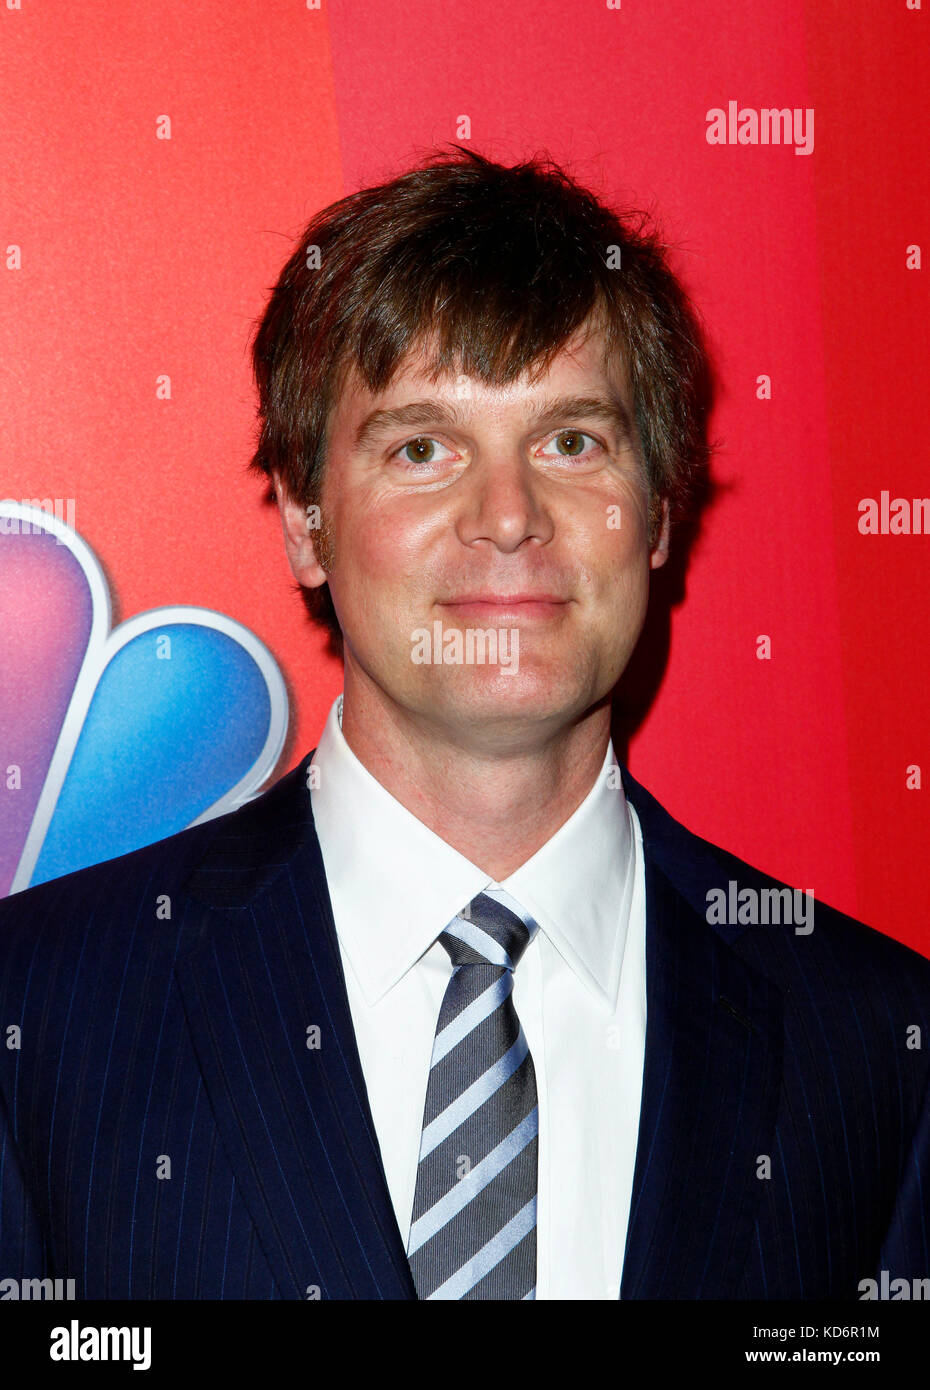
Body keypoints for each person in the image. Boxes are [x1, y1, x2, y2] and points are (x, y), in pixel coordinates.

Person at [1, 148, 928, 1301]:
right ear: (304, 519)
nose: (507, 518)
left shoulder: (878, 1042)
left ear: (655, 510)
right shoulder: (36, 1013)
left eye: (572, 441)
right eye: (423, 448)